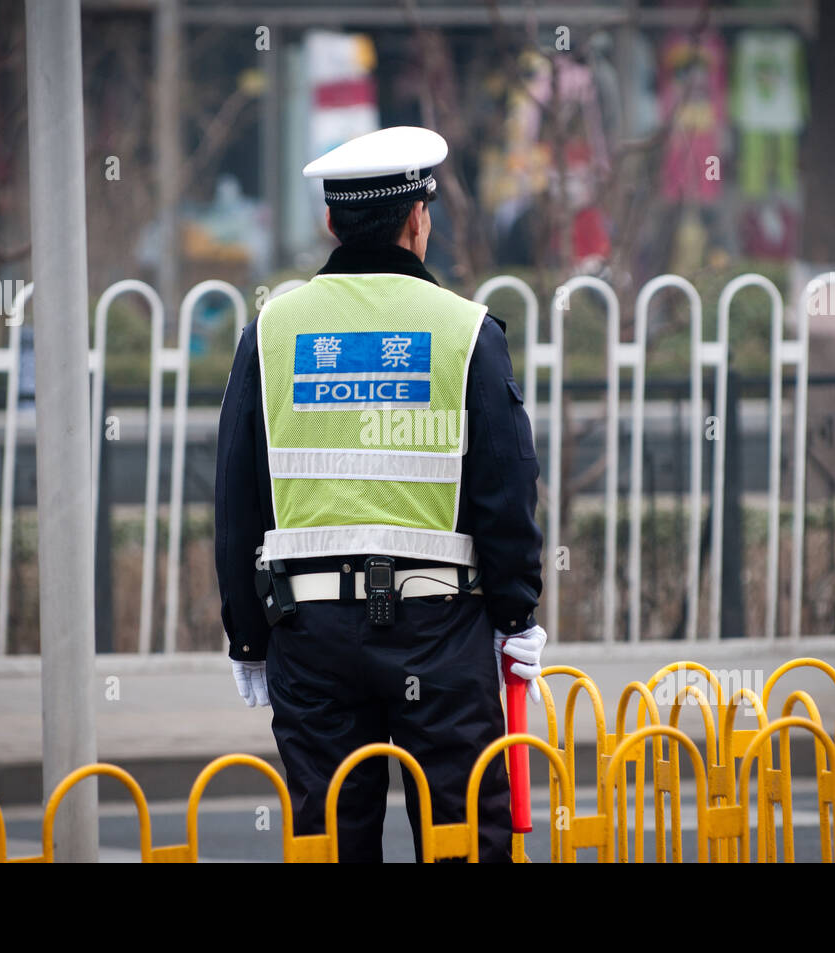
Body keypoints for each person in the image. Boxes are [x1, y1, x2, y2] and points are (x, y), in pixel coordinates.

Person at [214, 126, 546, 863]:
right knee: (463, 838)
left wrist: (247, 637)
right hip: (442, 634)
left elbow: (238, 498)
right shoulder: (466, 332)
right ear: (418, 220)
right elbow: (505, 482)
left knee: (328, 839)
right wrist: (516, 612)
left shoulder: (270, 332)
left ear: (331, 222)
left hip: (310, 634)